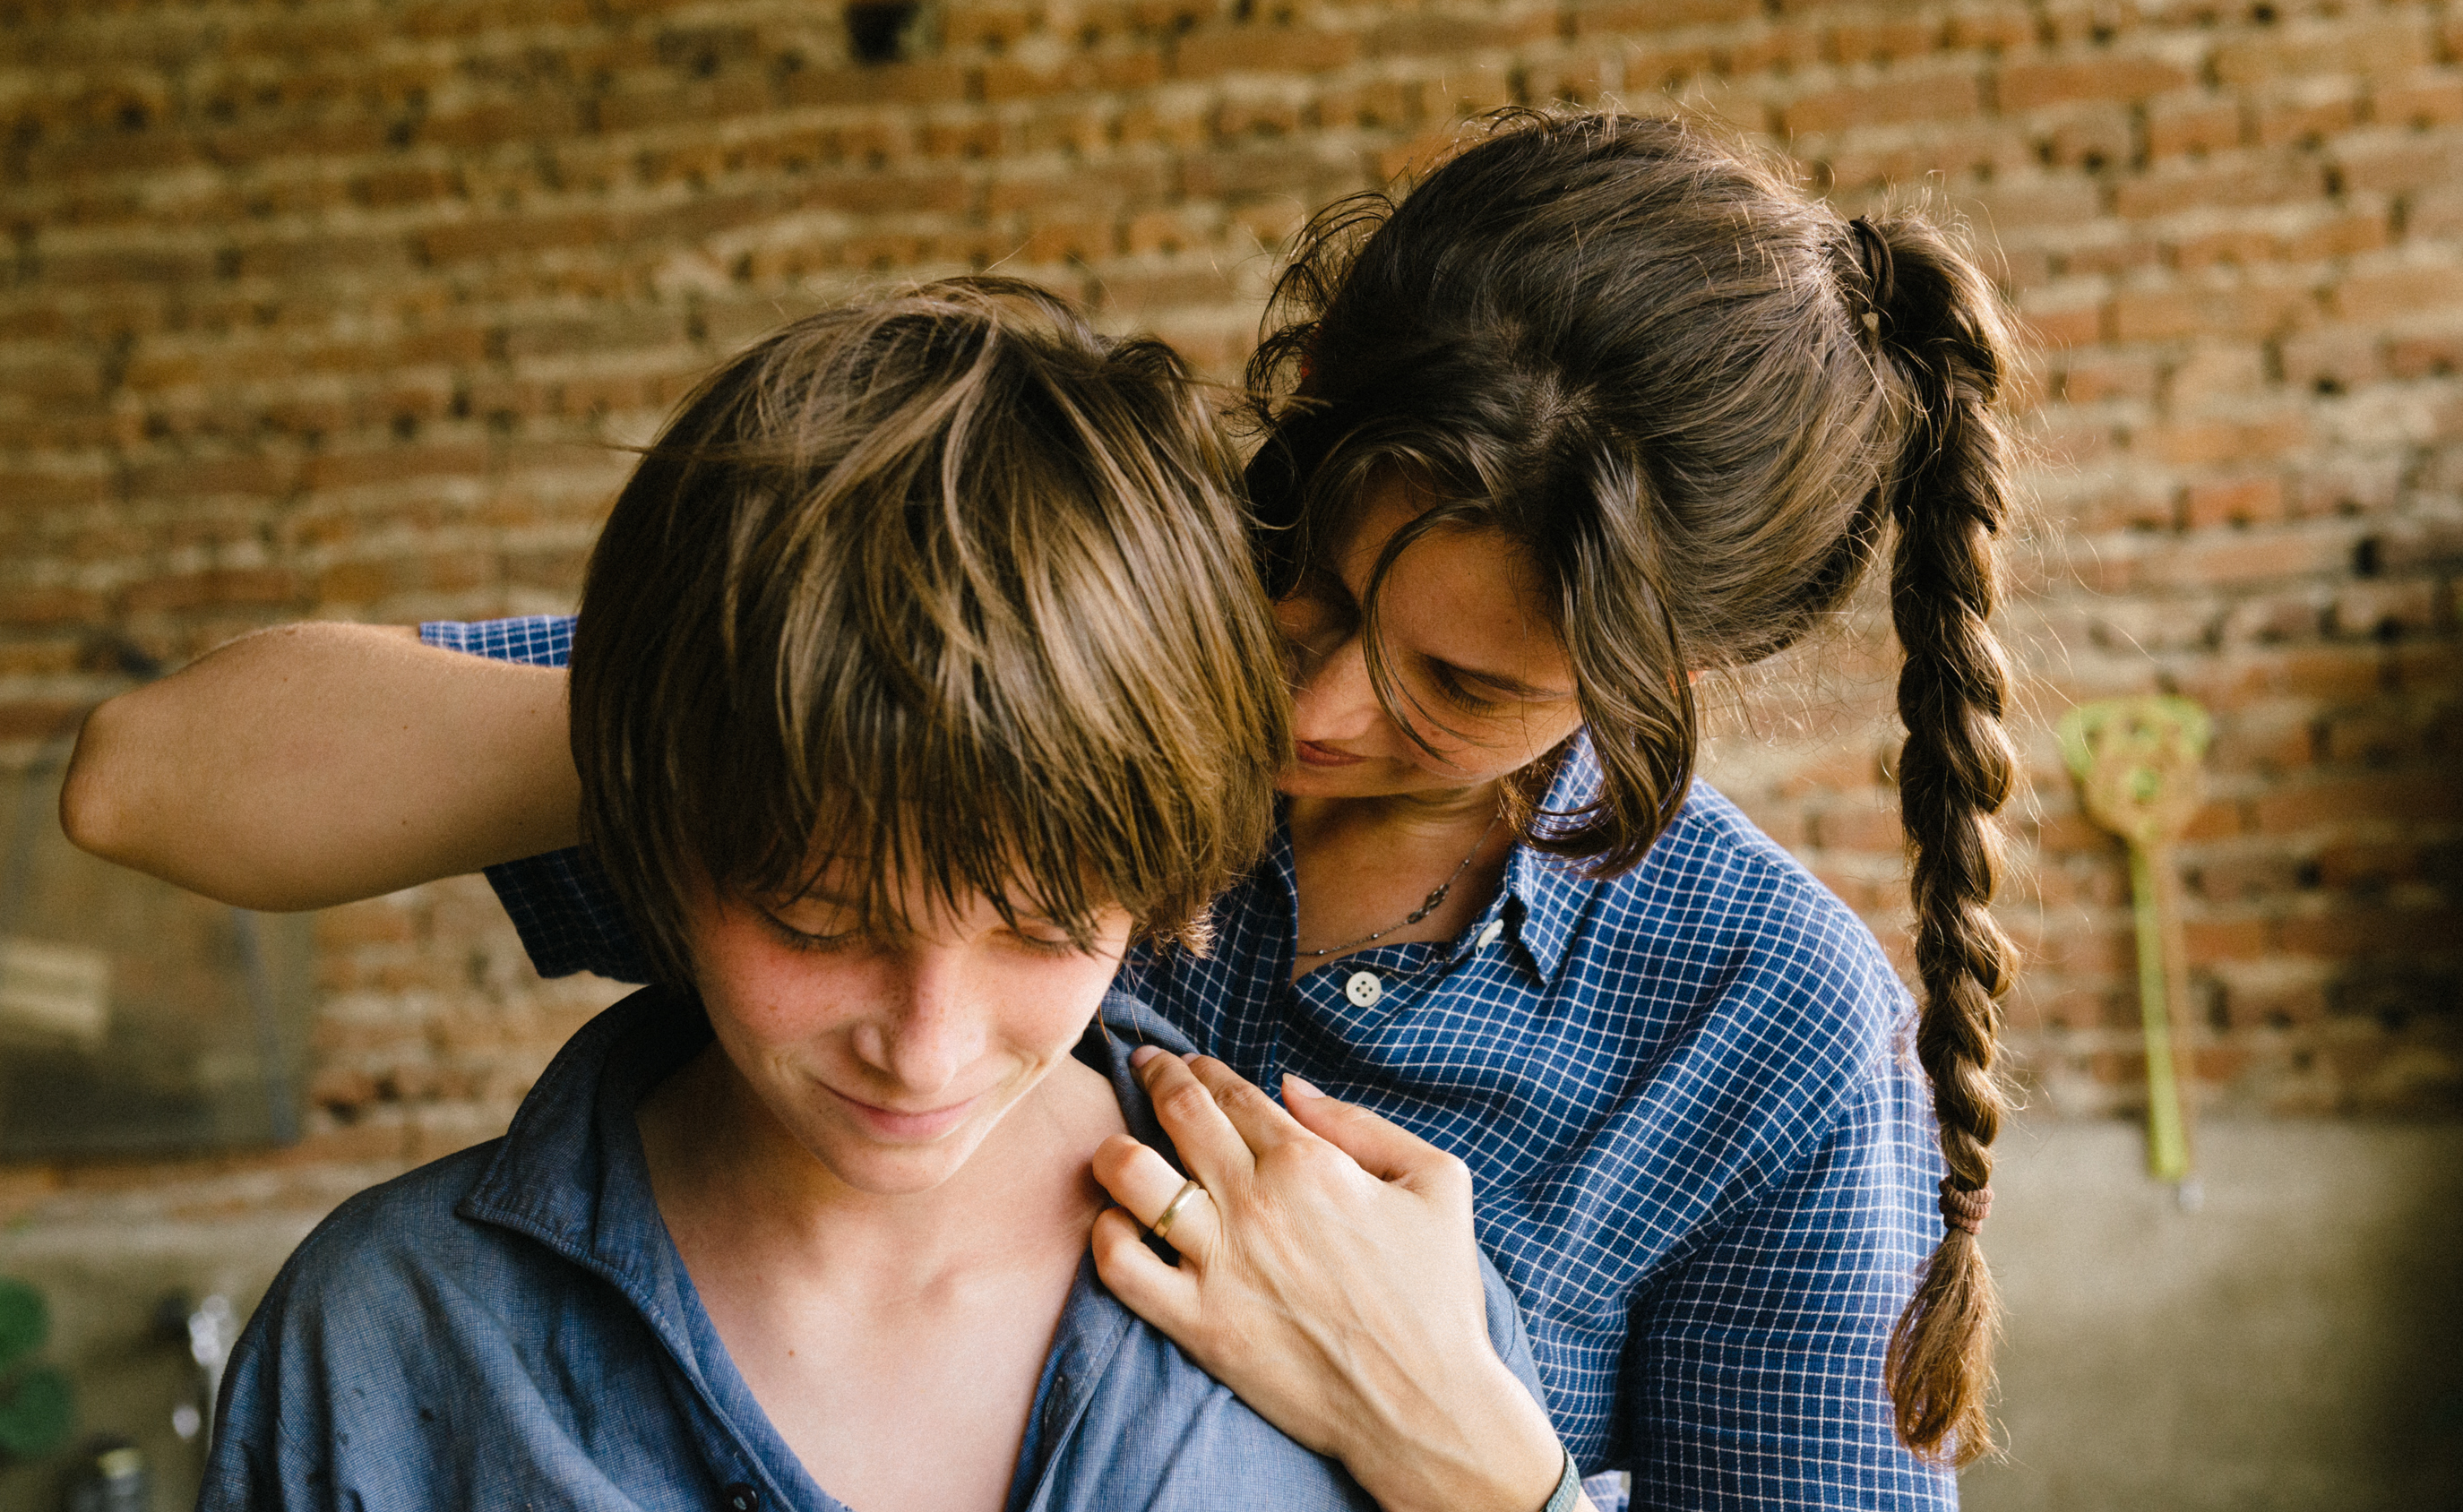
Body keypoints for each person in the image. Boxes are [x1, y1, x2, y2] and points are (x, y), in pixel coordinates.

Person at [73, 110, 2021, 1509]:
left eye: (1465, 689)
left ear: (1667, 678)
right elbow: (151, 785)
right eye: (1318, 584)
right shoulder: (1064, 632)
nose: (1323, 710)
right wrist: (842, 749)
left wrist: (1474, 1466)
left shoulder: (1769, 1037)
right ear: (1306, 404)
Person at [178, 280, 1575, 1512]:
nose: (927, 1046)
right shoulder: (386, 1336)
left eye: (1040, 928)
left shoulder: (1394, 1327)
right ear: (655, 840)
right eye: (819, 923)